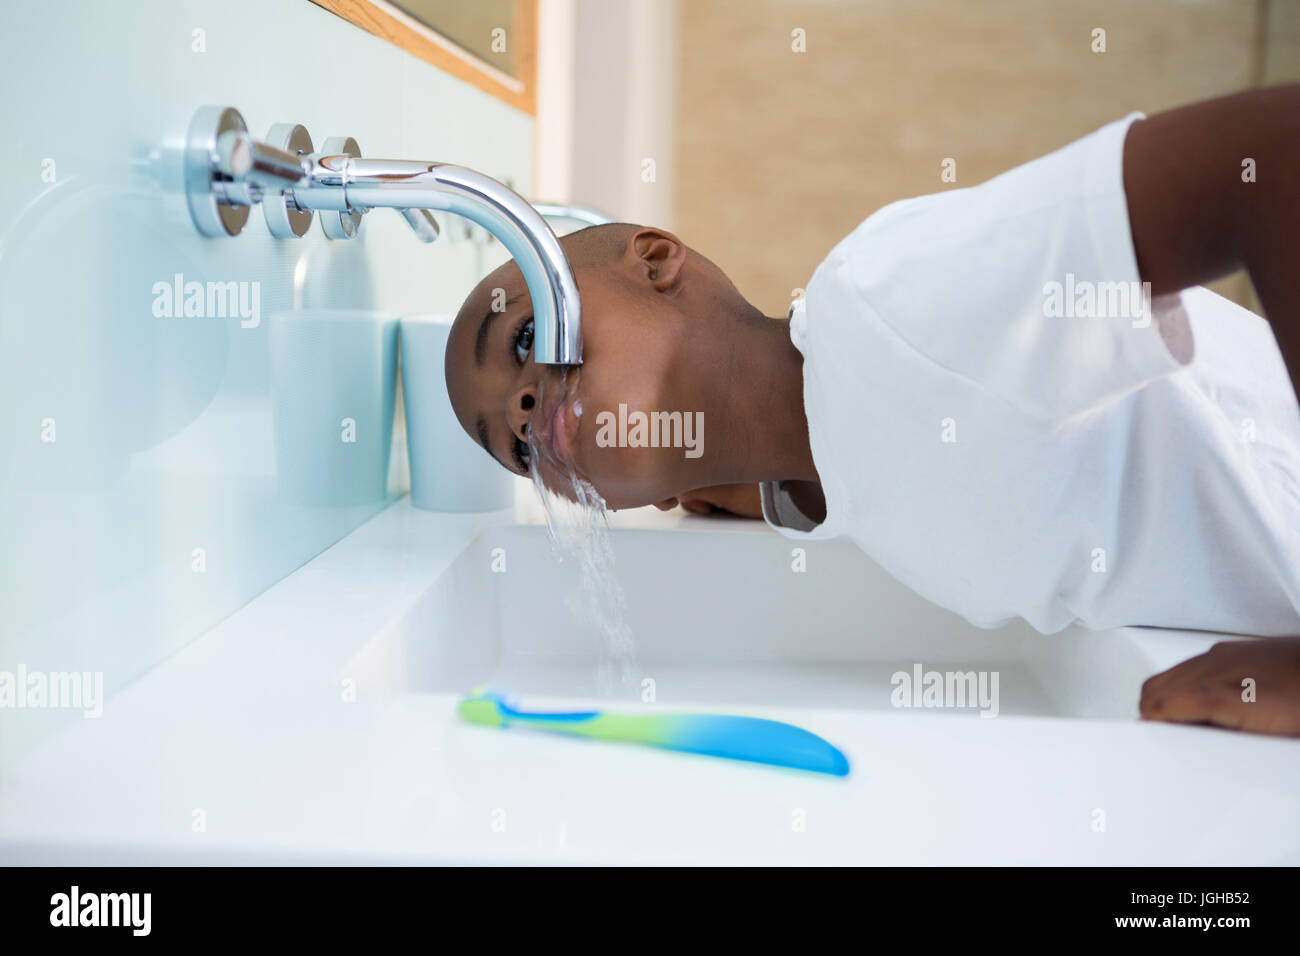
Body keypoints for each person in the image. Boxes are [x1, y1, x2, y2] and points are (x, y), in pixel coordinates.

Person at [443, 86, 1300, 736]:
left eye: (521, 340)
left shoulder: (892, 298)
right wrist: (752, 482)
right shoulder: (828, 470)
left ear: (657, 261)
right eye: (515, 448)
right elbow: (913, 463)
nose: (522, 409)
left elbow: (1269, 155)